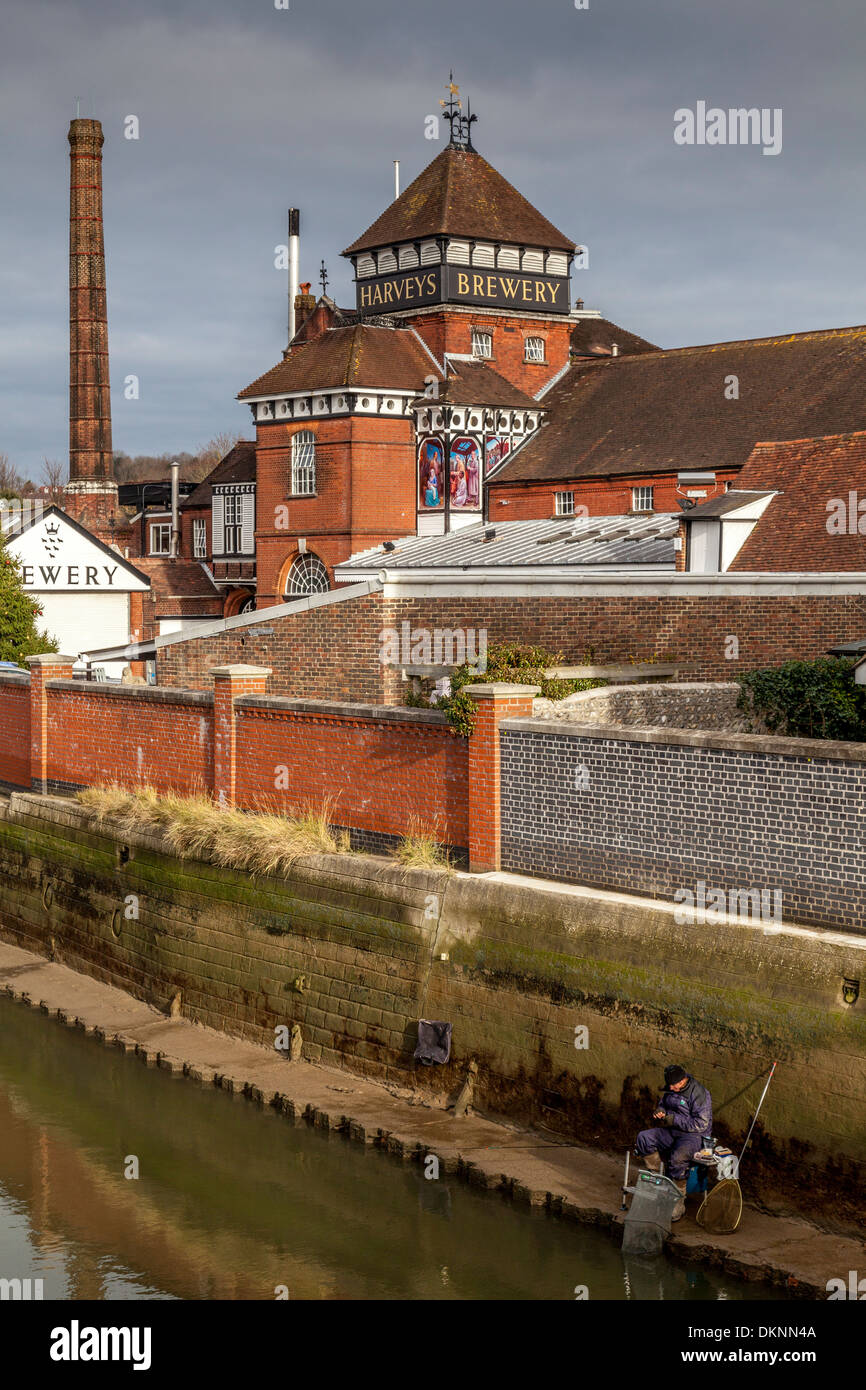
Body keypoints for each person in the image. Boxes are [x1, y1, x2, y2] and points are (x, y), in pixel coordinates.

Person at [634, 1064, 712, 1220]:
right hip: (672, 1130)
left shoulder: (699, 1093)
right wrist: (660, 1110)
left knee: (678, 1157)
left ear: (683, 1080)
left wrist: (674, 1119)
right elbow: (664, 1103)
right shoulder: (672, 1087)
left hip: (694, 1136)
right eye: (669, 1085)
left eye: (674, 1085)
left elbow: (701, 1124)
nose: (671, 1087)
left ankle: (678, 1201)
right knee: (644, 1138)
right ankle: (659, 1181)